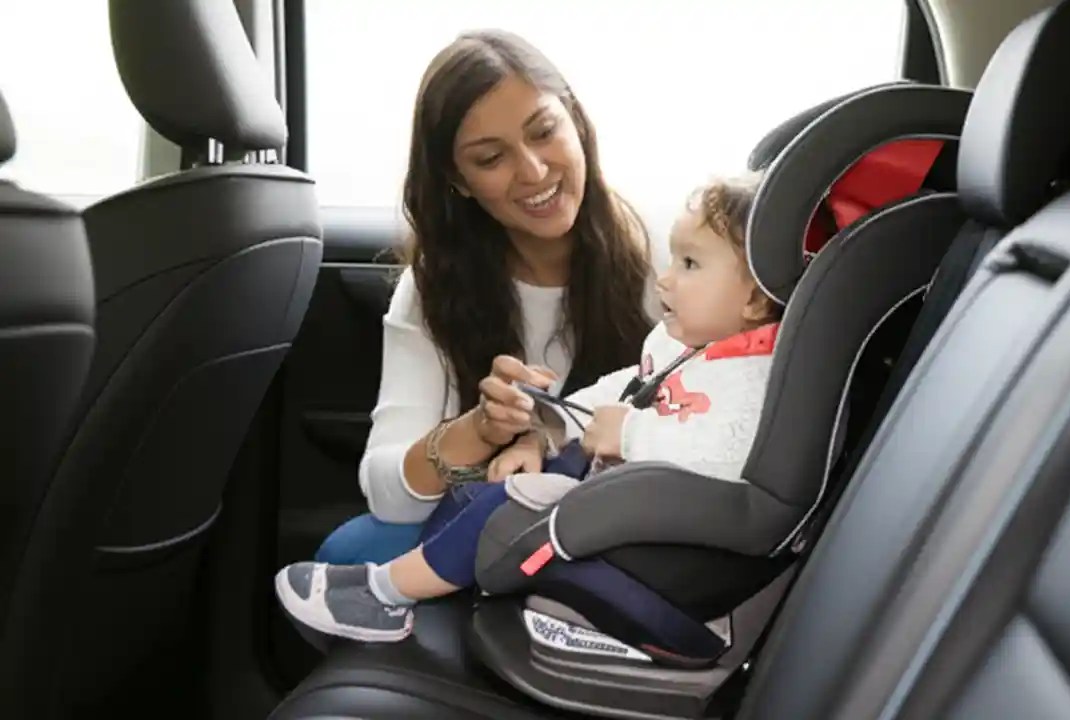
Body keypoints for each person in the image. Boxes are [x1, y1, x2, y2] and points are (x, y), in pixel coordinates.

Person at [275, 173, 785, 642]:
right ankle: (441, 571)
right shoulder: (687, 342)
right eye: (491, 157)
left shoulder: (754, 378)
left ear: (757, 303)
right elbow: (620, 388)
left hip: (653, 535)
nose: (666, 279)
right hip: (614, 496)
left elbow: (731, 457)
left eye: (689, 265)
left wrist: (632, 436)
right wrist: (545, 430)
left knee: (517, 505)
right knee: (490, 491)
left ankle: (385, 593)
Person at [313, 29, 656, 567]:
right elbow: (386, 493)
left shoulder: (663, 255)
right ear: (460, 181)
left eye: (544, 132)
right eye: (492, 158)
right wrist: (478, 430)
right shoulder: (434, 289)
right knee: (350, 555)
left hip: (632, 521)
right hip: (502, 526)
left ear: (576, 120)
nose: (534, 171)